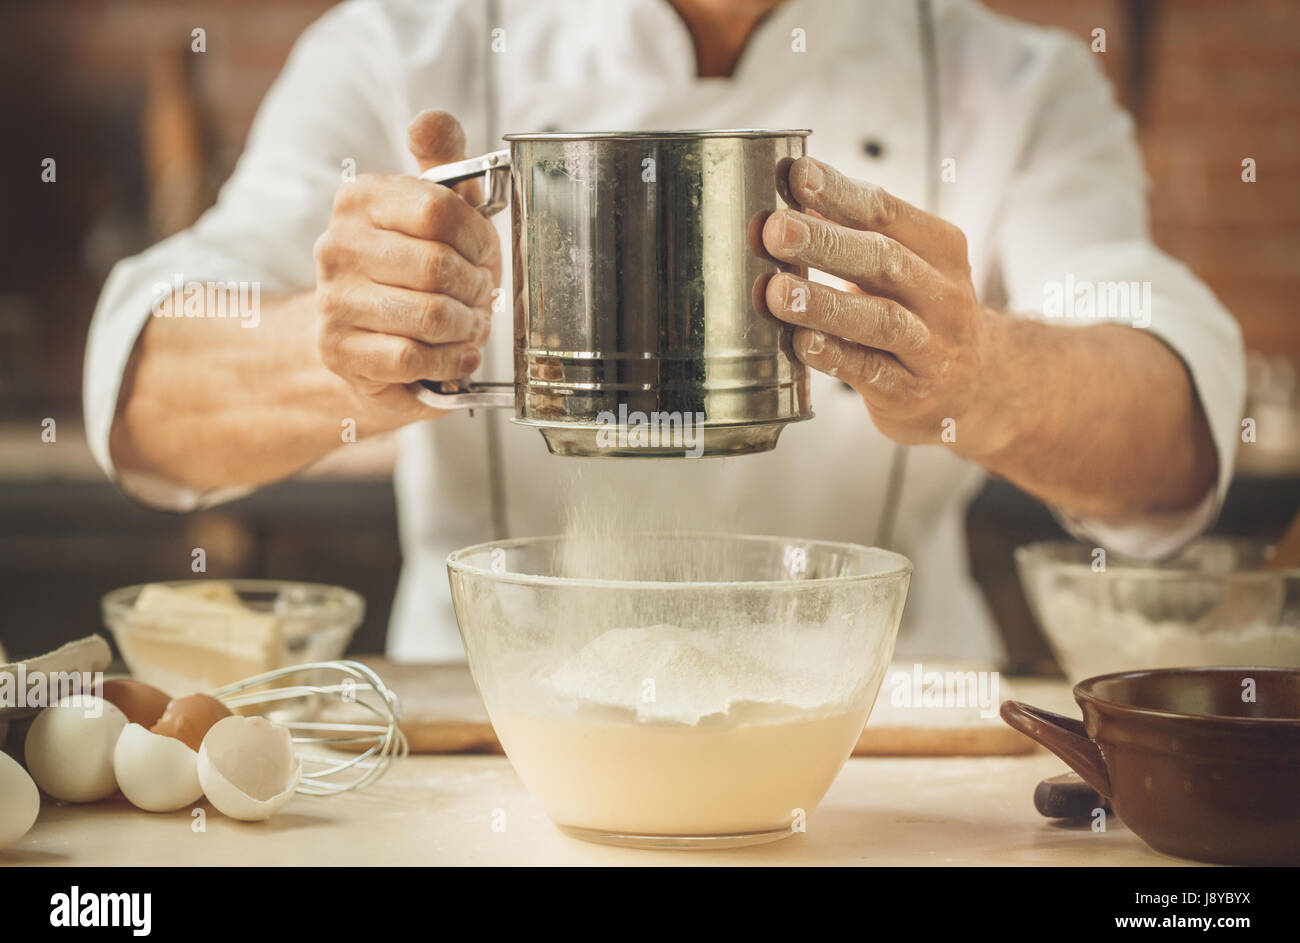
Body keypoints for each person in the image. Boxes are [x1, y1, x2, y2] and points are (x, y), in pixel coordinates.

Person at [84, 0, 1244, 662]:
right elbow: (140, 394)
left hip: (885, 748)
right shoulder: (403, 41)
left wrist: (982, 374)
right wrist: (325, 346)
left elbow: (1174, 436)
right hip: (492, 742)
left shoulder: (1012, 77)